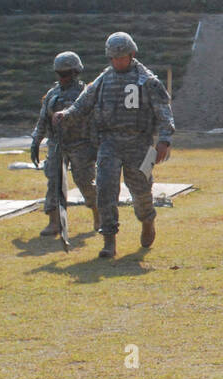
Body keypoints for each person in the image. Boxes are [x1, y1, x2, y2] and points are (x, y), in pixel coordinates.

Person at [53, 31, 174, 258]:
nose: (118, 62)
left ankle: (147, 221)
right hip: (109, 143)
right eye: (114, 58)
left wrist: (164, 140)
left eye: (122, 57)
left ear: (132, 54)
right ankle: (109, 241)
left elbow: (164, 113)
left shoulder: (148, 80)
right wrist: (65, 114)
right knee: (105, 190)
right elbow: (83, 103)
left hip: (140, 144)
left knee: (141, 191)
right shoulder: (103, 79)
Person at [31, 51, 98, 236]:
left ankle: (97, 213)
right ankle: (54, 222)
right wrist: (36, 141)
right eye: (60, 74)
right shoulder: (52, 94)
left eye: (66, 73)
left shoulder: (86, 94)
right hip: (57, 144)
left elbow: (95, 121)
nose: (63, 78)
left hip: (81, 144)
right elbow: (42, 120)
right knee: (54, 182)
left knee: (85, 182)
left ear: (76, 72)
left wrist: (96, 147)